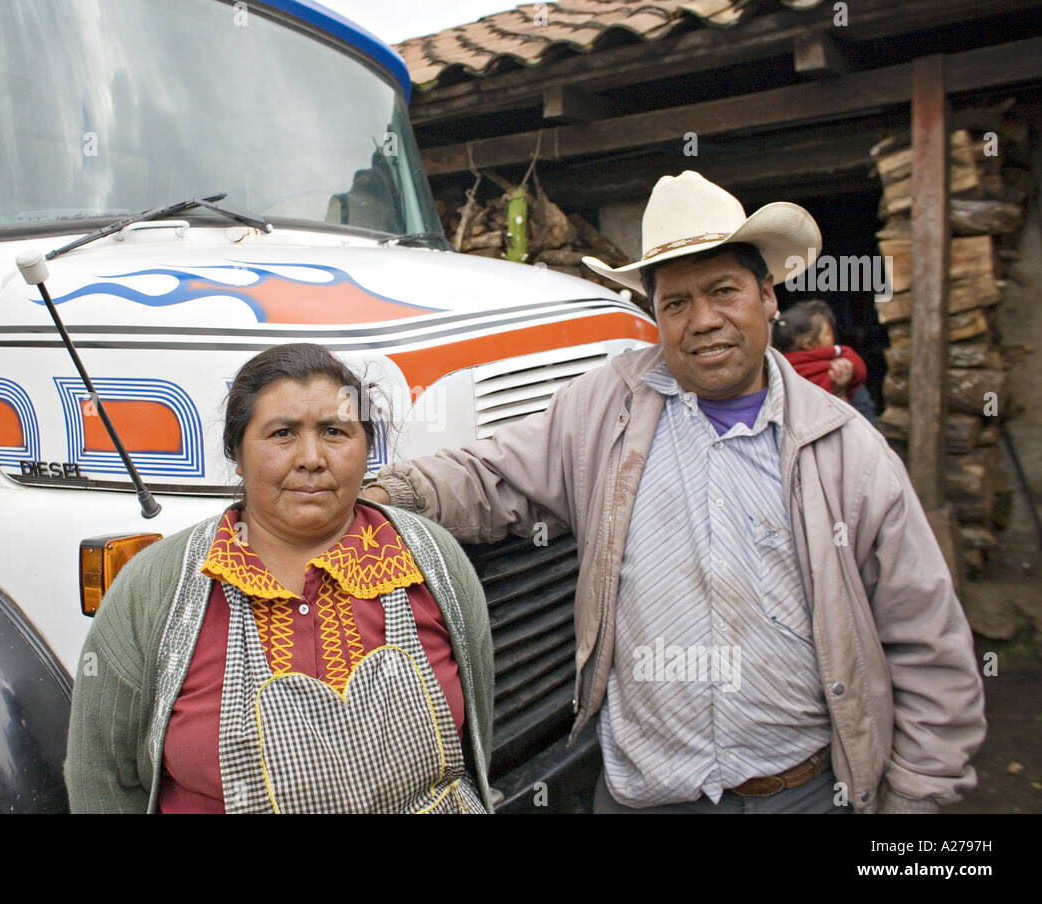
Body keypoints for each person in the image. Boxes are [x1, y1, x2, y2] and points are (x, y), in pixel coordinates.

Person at [362, 171, 985, 814]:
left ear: (768, 295)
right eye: (677, 303)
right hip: (643, 790)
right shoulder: (608, 408)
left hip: (797, 794)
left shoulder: (845, 450)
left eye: (723, 291)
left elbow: (926, 641)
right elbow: (490, 475)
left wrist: (915, 799)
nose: (703, 321)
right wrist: (374, 495)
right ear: (656, 315)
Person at [65, 343, 493, 813]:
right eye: (282, 433)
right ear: (237, 453)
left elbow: (476, 739)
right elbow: (102, 775)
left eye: (334, 431)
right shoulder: (154, 588)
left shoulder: (432, 562)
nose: (311, 458)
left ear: (367, 448)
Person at [773, 299, 880, 425]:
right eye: (828, 334)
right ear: (808, 344)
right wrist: (839, 392)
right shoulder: (834, 369)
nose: (833, 339)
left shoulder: (774, 372)